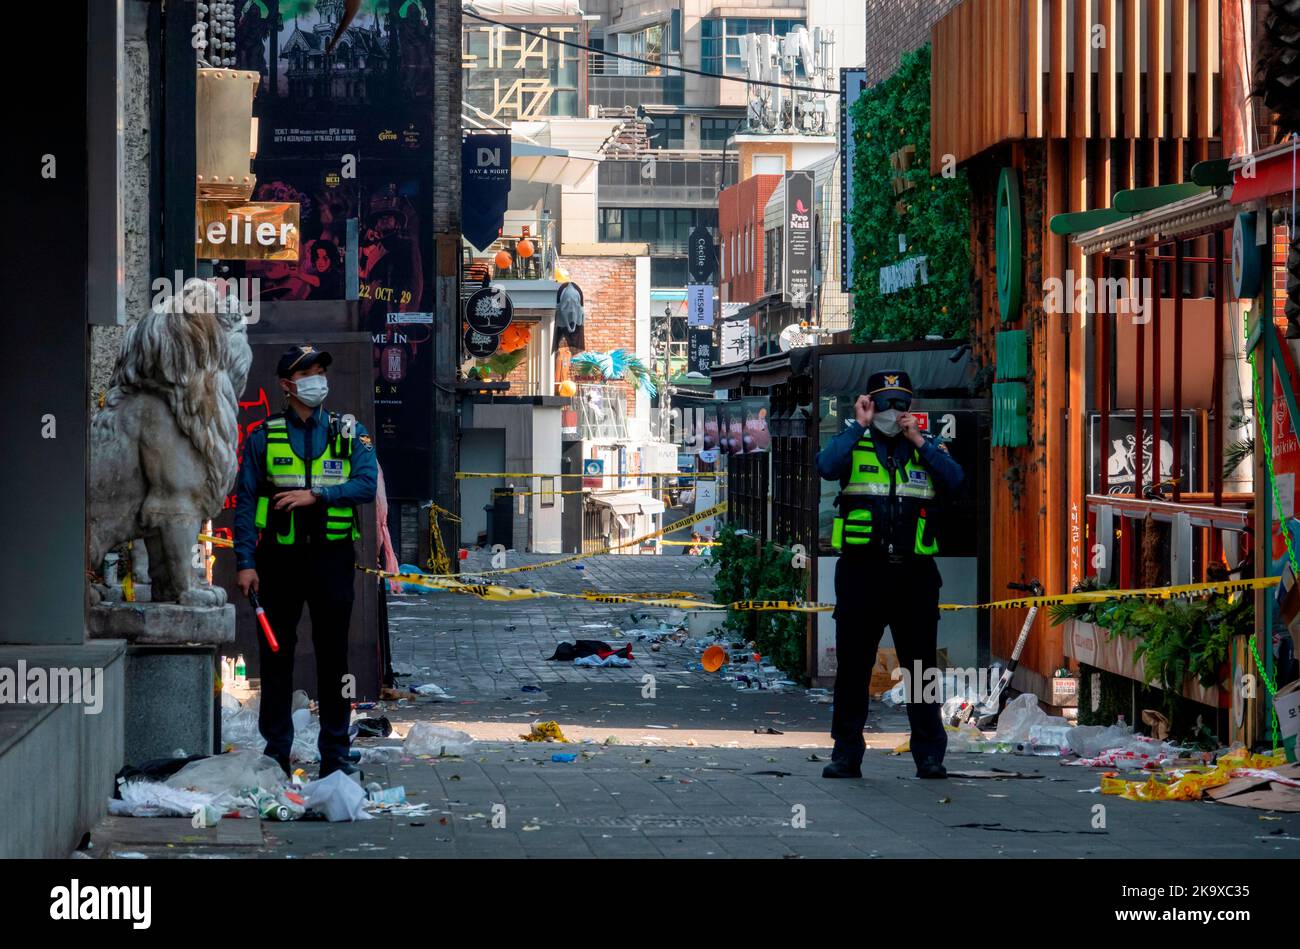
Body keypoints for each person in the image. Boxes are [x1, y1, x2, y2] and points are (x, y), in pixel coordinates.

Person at [233, 345, 377, 778]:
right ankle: (276, 754)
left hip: (331, 559)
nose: (318, 380)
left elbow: (367, 484)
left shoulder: (347, 430)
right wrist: (245, 562)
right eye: (308, 373)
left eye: (320, 372)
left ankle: (334, 754)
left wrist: (318, 495)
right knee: (277, 658)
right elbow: (245, 504)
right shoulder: (263, 435)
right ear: (286, 385)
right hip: (278, 560)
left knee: (334, 657)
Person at [815, 370, 965, 780]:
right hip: (862, 575)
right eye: (884, 403)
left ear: (910, 409)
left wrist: (919, 440)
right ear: (869, 404)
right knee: (853, 669)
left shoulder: (925, 449)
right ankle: (847, 754)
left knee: (921, 672)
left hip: (914, 578)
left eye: (901, 404)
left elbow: (956, 480)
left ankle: (930, 755)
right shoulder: (853, 443)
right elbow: (825, 467)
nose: (893, 412)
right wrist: (859, 424)